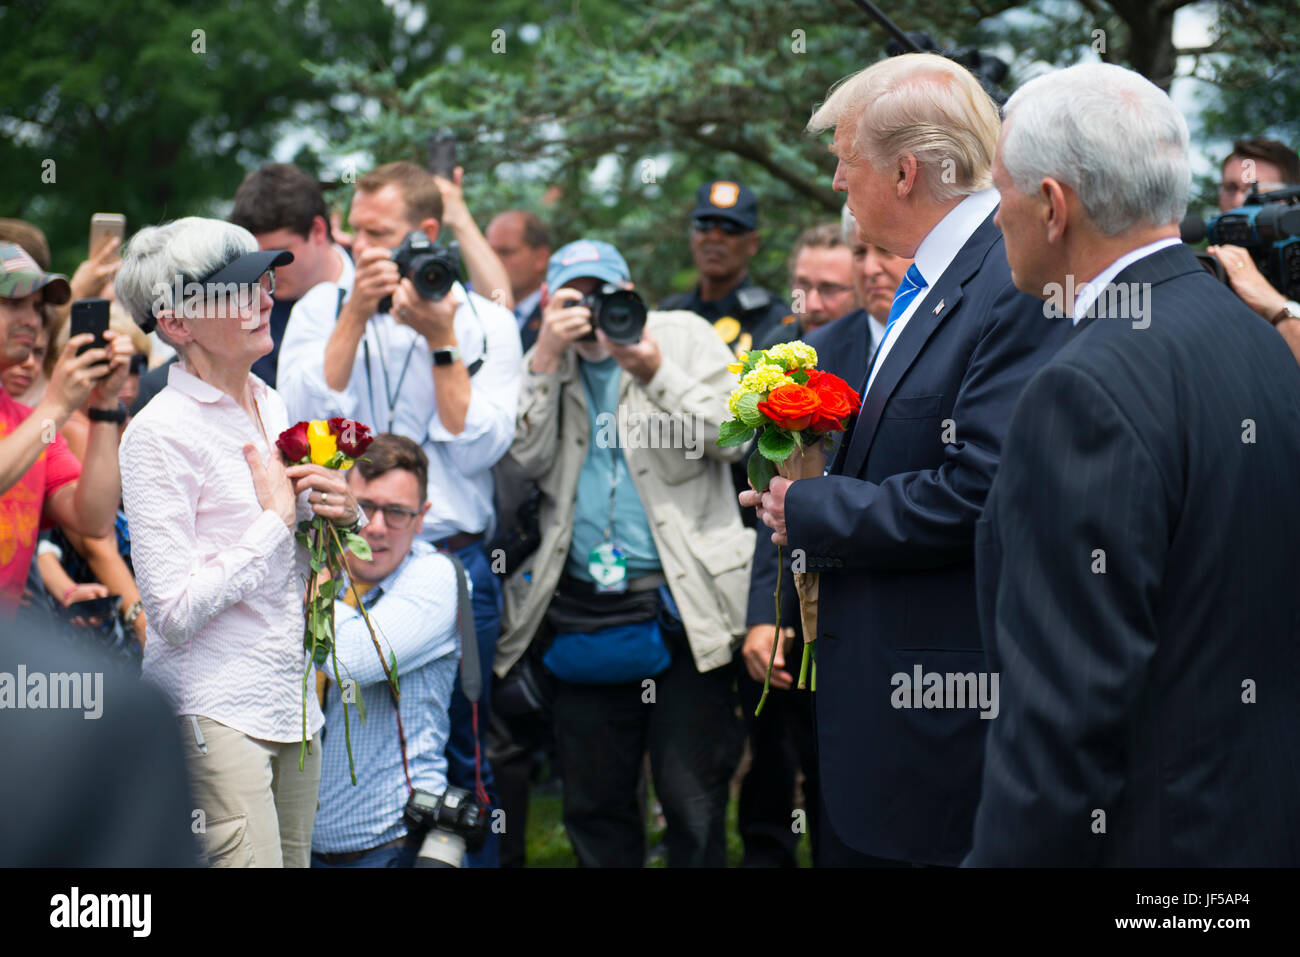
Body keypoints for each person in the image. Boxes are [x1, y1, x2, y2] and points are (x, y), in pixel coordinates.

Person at [967, 63, 1300, 867]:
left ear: (1052, 205)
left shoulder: (1083, 388)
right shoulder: (1254, 335)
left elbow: (1063, 718)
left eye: (999, 192)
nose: (993, 215)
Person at [742, 53, 1067, 867]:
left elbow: (983, 490)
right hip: (886, 724)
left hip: (944, 730)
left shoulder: (1007, 280)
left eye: (845, 163)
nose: (838, 187)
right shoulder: (943, 273)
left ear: (904, 171)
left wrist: (809, 508)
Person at [277, 160, 522, 867]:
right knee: (344, 725)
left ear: (426, 233)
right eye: (354, 230)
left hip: (450, 553)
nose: (360, 245)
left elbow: (477, 445)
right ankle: (351, 844)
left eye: (378, 233)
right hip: (343, 548)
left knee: (464, 743)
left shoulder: (487, 321)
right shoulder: (325, 305)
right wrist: (355, 313)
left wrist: (439, 337)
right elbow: (305, 418)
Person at [114, 216, 363, 867]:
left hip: (291, 700)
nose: (264, 296)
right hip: (215, 710)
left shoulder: (271, 402)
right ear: (177, 323)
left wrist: (338, 517)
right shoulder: (156, 433)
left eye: (263, 280)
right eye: (237, 288)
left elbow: (292, 556)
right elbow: (168, 611)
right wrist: (276, 520)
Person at [500, 239, 750, 867]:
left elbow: (732, 436)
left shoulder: (683, 335)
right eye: (571, 299)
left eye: (602, 295)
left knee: (692, 800)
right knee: (594, 801)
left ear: (629, 291)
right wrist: (545, 360)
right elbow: (523, 461)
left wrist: (652, 371)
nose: (590, 311)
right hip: (587, 610)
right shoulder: (549, 359)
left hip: (682, 607)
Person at [736, 208, 913, 867]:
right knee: (816, 784)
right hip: (812, 614)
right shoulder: (810, 359)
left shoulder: (952, 342)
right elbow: (774, 501)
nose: (872, 266)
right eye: (859, 250)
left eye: (884, 249)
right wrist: (765, 615)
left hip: (907, 611)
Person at [312, 434, 461, 868]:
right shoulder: (327, 578)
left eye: (396, 512)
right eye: (361, 508)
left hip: (392, 846)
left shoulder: (436, 576)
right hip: (300, 845)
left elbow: (355, 660)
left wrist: (311, 573)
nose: (375, 527)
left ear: (422, 518)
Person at [0, 243, 129, 612]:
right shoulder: (42, 421)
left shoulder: (30, 425)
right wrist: (57, 405)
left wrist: (104, 405)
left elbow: (93, 518)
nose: (33, 320)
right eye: (13, 303)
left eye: (39, 308)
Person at [228, 163, 355, 388]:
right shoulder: (253, 317)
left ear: (317, 231)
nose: (267, 271)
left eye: (278, 255)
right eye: (256, 258)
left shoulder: (379, 276)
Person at [659, 179, 792, 358]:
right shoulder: (670, 311)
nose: (714, 237)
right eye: (703, 225)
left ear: (753, 243)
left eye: (729, 228)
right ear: (692, 237)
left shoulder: (772, 318)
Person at [1204, 138, 1300, 361]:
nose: (1238, 201)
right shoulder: (1209, 268)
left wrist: (1275, 306)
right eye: (1230, 188)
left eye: (1254, 191)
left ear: (1293, 198)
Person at [757, 222, 856, 349]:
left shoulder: (876, 350)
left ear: (860, 290)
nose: (811, 305)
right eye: (804, 286)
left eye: (829, 289)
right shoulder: (776, 347)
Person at [486, 210, 551, 352]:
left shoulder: (553, 312)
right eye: (488, 253)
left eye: (506, 252)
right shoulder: (473, 306)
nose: (493, 262)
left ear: (541, 257)